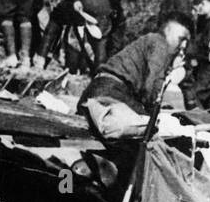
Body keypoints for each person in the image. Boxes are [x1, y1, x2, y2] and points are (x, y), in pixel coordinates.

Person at [77, 13, 192, 142]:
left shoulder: (150, 41)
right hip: (112, 93)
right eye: (182, 39)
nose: (184, 46)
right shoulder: (161, 44)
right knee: (154, 128)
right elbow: (152, 87)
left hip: (97, 90)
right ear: (169, 31)